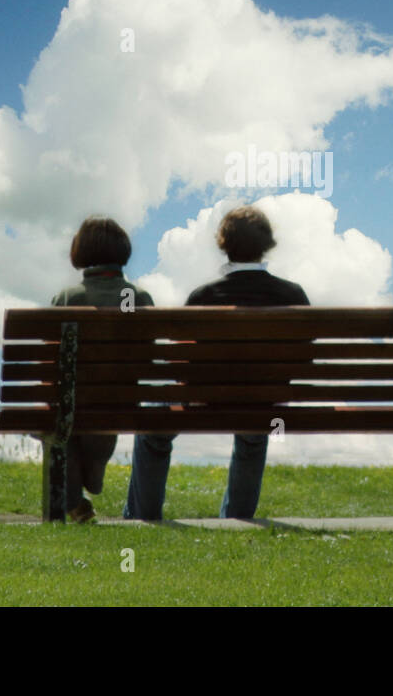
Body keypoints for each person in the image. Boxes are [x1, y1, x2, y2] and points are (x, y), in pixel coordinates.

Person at [124, 205, 309, 520]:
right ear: (266, 244)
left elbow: (181, 361)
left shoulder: (203, 297)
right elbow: (304, 358)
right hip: (264, 402)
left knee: (154, 422)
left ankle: (143, 516)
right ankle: (237, 519)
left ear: (224, 244)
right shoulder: (293, 295)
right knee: (254, 428)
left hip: (205, 401)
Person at [52, 216, 153, 522]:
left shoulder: (69, 299)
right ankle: (92, 471)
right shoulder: (138, 298)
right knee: (97, 416)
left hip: (73, 405)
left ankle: (73, 496)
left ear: (80, 253)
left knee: (60, 423)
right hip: (121, 405)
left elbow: (51, 362)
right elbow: (147, 359)